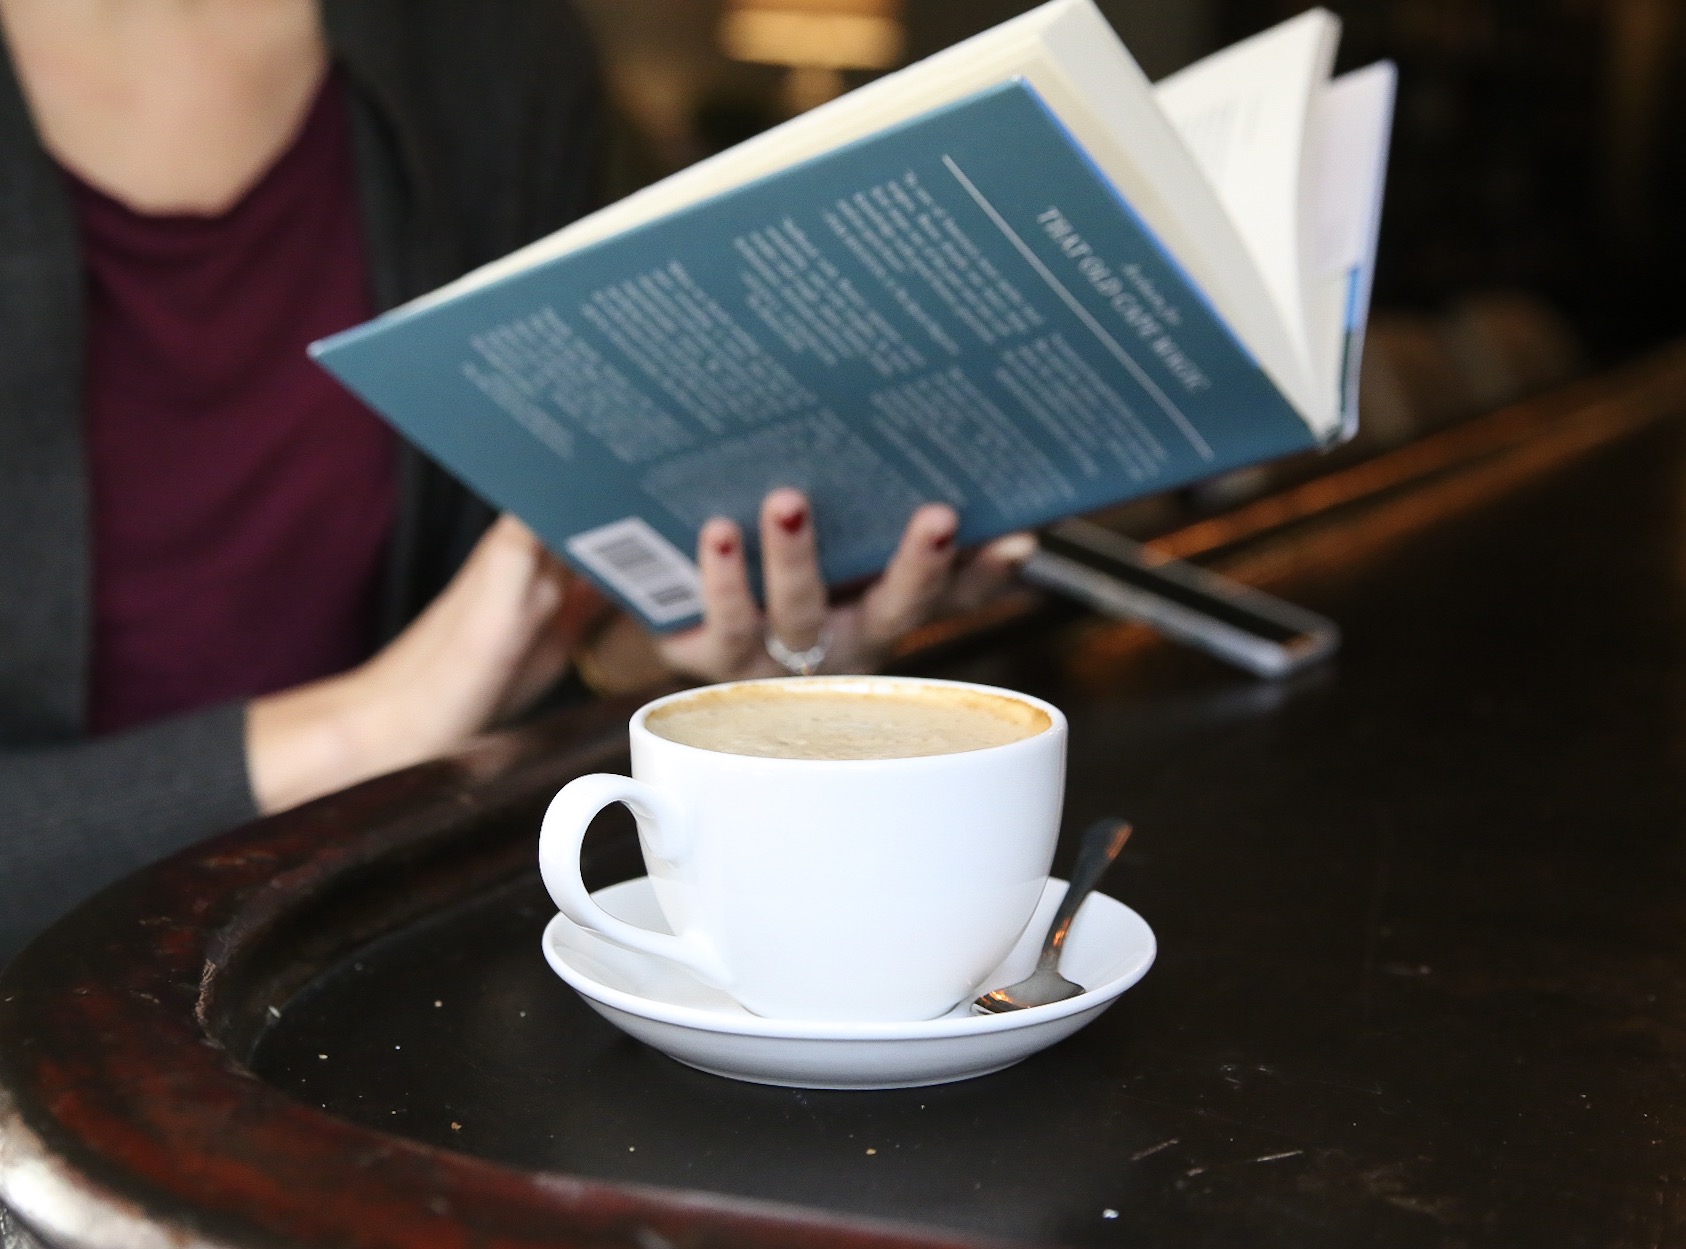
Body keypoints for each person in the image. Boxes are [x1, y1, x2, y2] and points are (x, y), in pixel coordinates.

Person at [0, 0, 1030, 962]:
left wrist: (685, 655)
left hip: (368, 946)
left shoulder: (484, 45)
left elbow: (529, 594)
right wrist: (365, 729)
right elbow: (439, 687)